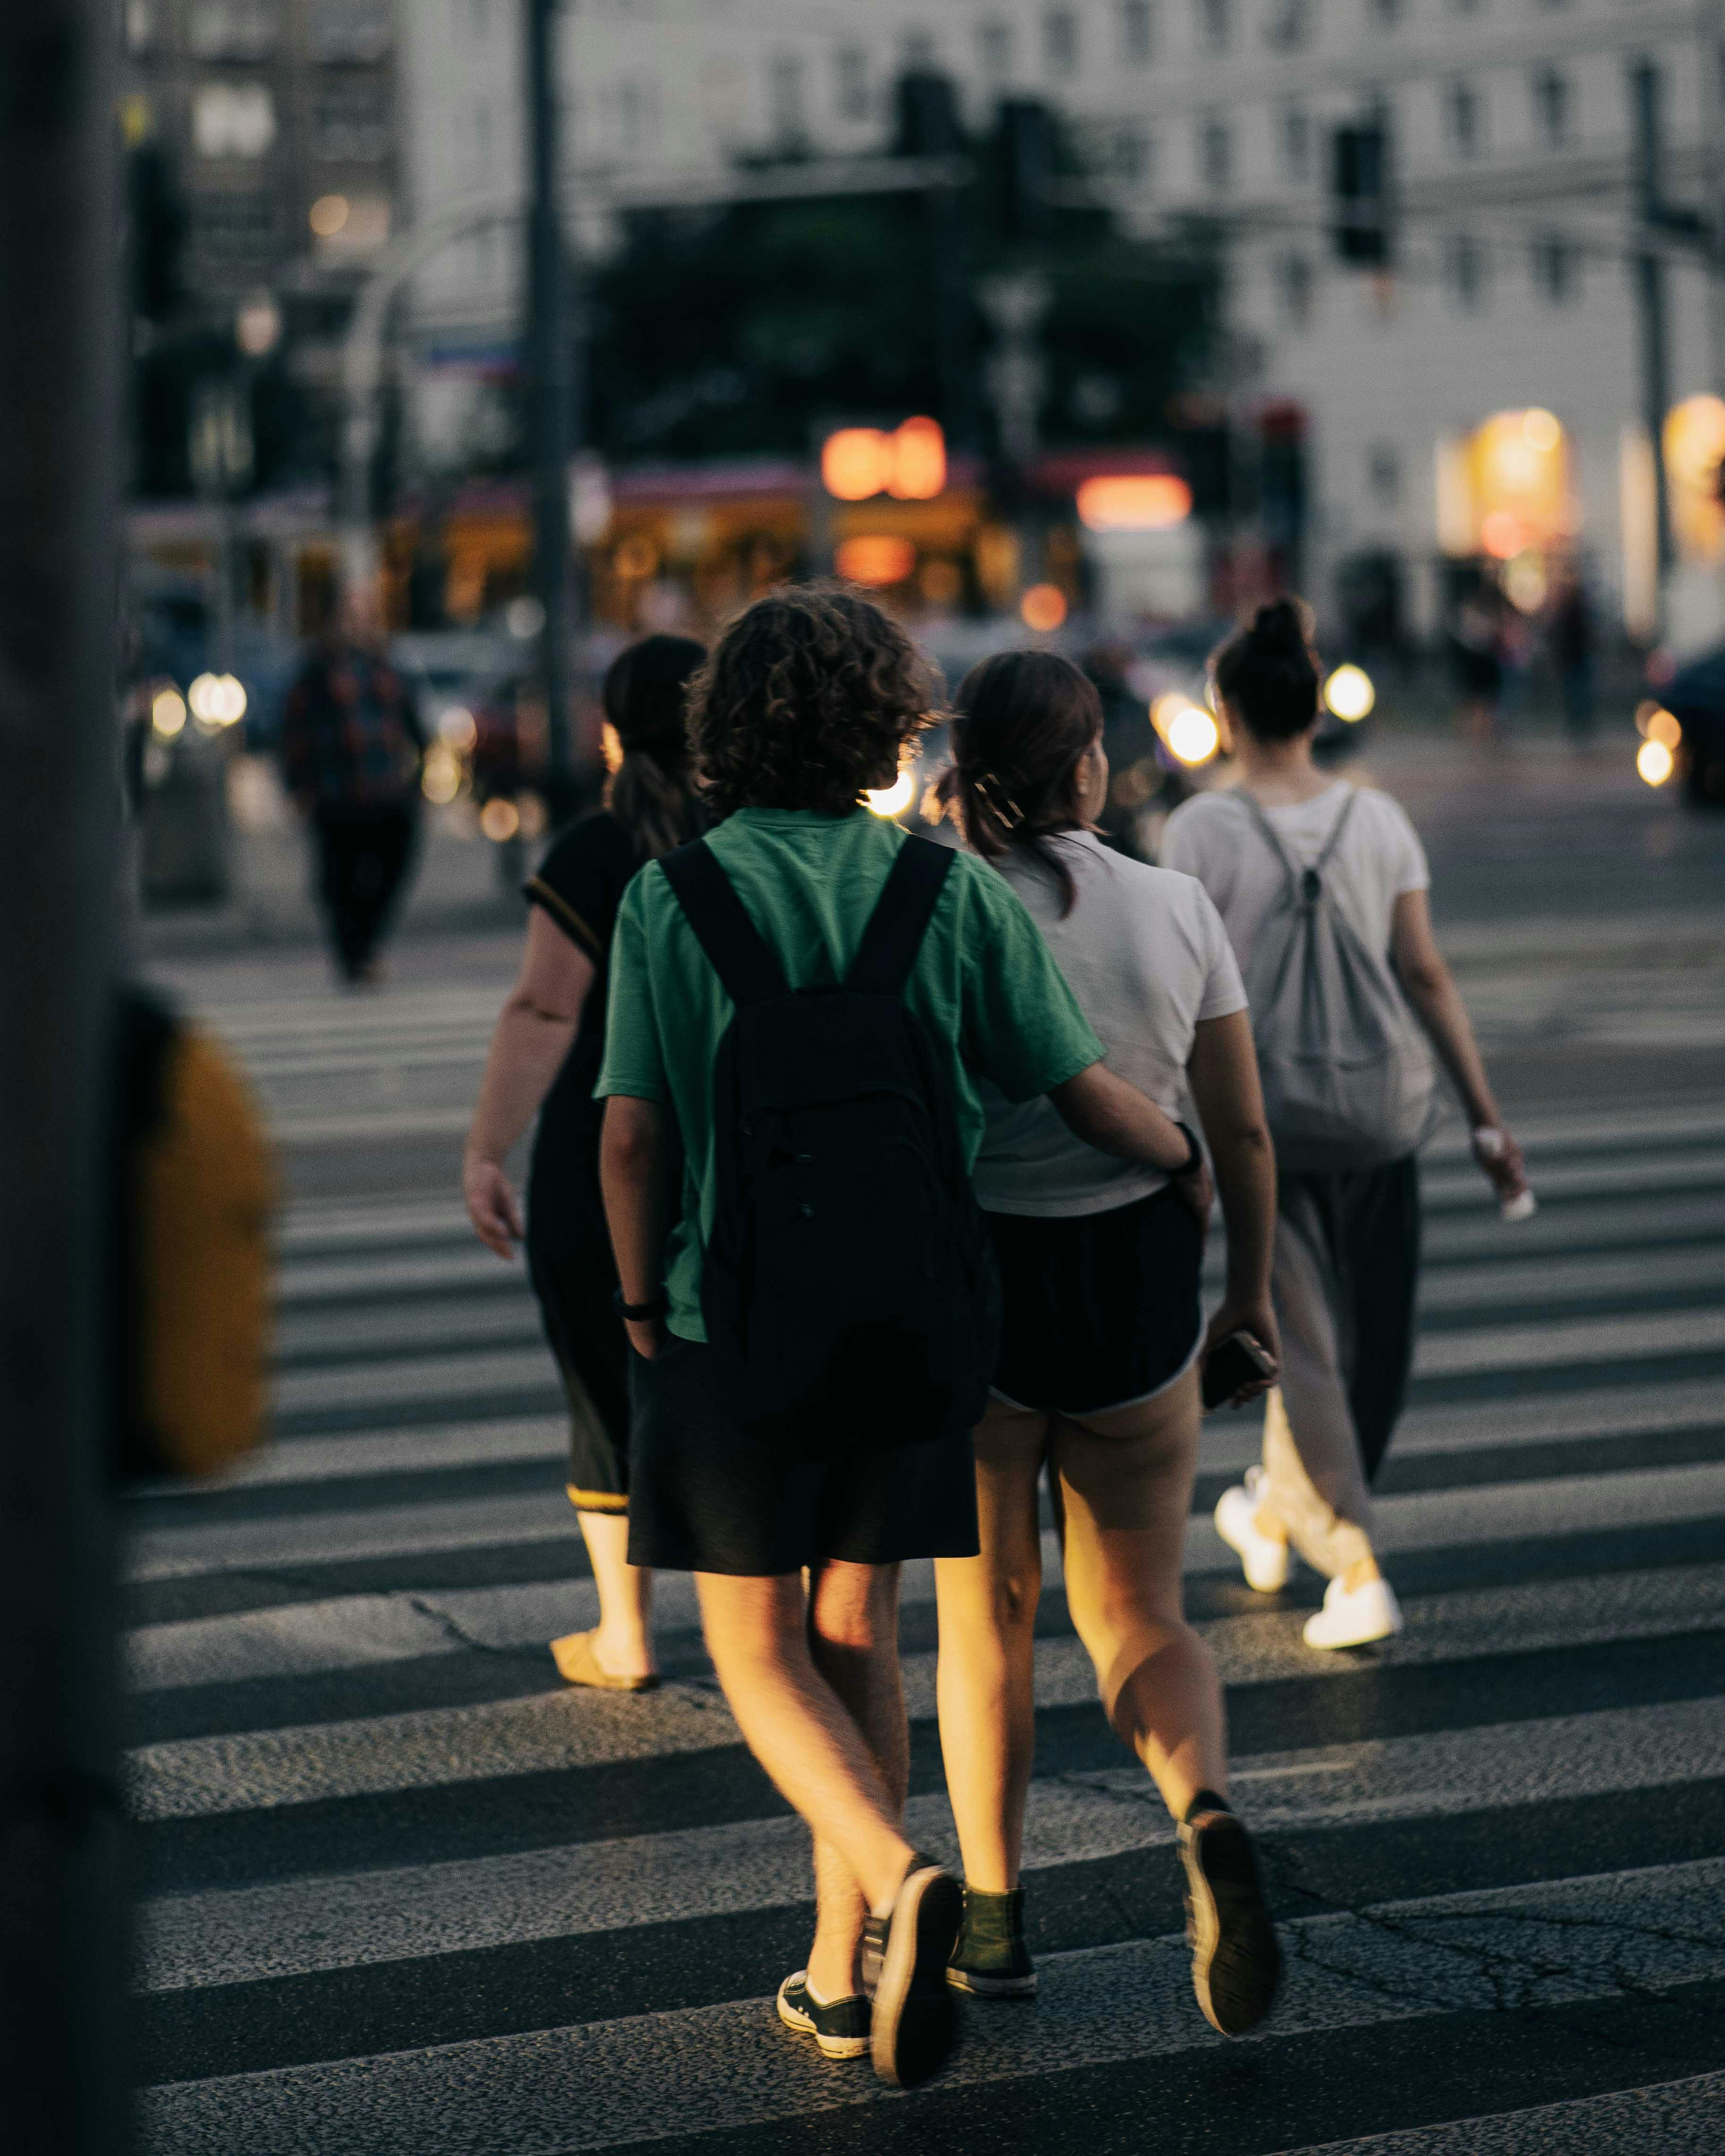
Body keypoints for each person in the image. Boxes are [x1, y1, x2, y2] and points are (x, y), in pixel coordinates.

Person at [595, 585, 1202, 2090]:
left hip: (728, 1317)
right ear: (884, 724)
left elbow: (627, 1140)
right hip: (922, 1317)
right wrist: (1184, 1151)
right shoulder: (951, 895)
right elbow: (1074, 1089)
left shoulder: (673, 900)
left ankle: (894, 1871)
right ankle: (836, 1967)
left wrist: (633, 1308)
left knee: (751, 1644)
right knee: (858, 1625)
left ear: (726, 727)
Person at [931, 650, 1283, 2037]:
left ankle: (1001, 1926)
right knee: (1142, 1607)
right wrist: (1248, 1299)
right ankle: (1202, 1811)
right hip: (1135, 1276)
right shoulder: (1175, 905)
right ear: (1088, 768)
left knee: (990, 1612)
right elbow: (1240, 1133)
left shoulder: (937, 903)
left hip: (981, 1284)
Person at [1162, 600, 1530, 1649]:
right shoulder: (1379, 819)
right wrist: (1485, 1119)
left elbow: (1178, 986)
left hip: (1258, 1121)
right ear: (1315, 711)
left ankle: (1346, 1556)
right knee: (1376, 1345)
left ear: (1225, 711)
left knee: (1304, 1348)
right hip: (1382, 1111)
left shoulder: (1198, 828)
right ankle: (1288, 1513)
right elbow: (1423, 972)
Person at [463, 635, 705, 1692]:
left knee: (605, 1391)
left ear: (610, 731)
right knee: (731, 1377)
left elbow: (546, 1005)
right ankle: (778, 1615)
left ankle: (627, 1633)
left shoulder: (590, 855)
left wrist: (485, 1149)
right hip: (728, 1151)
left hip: (589, 1155)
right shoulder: (752, 841)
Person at [279, 587, 426, 984]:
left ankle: (366, 945)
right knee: (338, 879)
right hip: (336, 792)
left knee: (394, 863)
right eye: (348, 615)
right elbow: (293, 732)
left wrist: (420, 776)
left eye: (363, 614)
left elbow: (412, 721)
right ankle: (354, 956)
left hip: (386, 789)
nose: (356, 624)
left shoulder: (387, 665)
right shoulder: (315, 671)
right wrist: (296, 786)